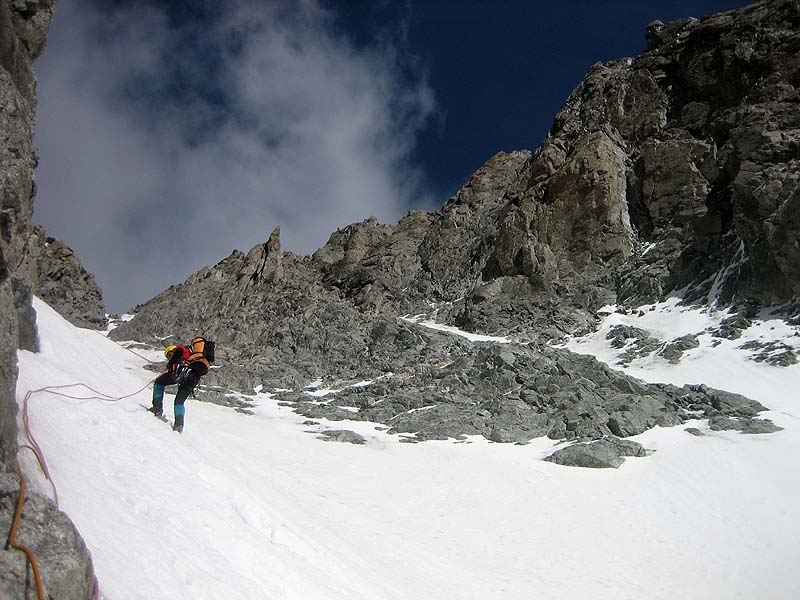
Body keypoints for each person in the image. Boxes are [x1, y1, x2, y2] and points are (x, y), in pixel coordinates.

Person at [149, 343, 196, 433]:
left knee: (159, 382)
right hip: (191, 378)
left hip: (180, 374)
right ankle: (179, 424)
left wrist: (171, 365)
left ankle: (157, 408)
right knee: (179, 401)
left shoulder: (180, 350)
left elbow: (173, 373)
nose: (170, 357)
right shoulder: (189, 357)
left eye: (170, 355)